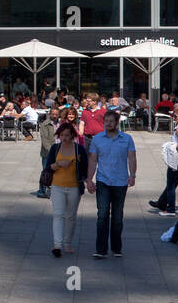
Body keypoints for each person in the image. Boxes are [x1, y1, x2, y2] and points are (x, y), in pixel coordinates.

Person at [86, 109, 136, 258]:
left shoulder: (127, 139)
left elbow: (132, 158)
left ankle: (116, 247)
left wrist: (132, 175)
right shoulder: (97, 139)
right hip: (103, 180)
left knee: (117, 217)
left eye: (111, 121)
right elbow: (93, 160)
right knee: (102, 215)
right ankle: (101, 249)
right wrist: (89, 179)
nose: (108, 124)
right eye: (106, 121)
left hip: (120, 181)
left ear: (116, 123)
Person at [45, 121, 87, 257]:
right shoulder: (55, 148)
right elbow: (48, 168)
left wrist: (88, 181)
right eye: (62, 135)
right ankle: (57, 245)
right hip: (57, 185)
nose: (64, 138)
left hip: (74, 186)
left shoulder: (79, 149)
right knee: (58, 214)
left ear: (72, 135)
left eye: (67, 135)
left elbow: (85, 169)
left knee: (70, 216)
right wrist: (58, 164)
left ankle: (67, 243)